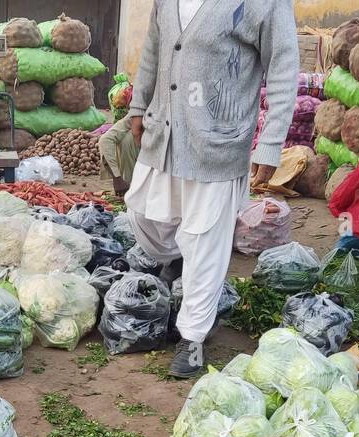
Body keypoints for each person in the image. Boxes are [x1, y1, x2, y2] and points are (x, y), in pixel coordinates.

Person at [126, 0, 299, 377]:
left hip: (218, 141)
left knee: (204, 237)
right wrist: (139, 104)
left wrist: (270, 142)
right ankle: (180, 262)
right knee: (144, 217)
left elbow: (284, 68)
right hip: (165, 133)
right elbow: (154, 46)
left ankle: (193, 339)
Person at [98, 114, 139, 196]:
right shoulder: (136, 115)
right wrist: (117, 178)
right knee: (127, 138)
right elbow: (105, 140)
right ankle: (129, 185)